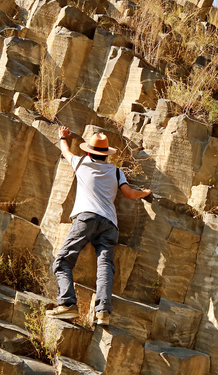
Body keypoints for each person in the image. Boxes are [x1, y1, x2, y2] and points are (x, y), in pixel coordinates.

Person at [48, 126, 152, 326]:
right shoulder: (116, 172)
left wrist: (63, 137)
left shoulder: (81, 163)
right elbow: (129, 194)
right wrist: (145, 193)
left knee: (63, 260)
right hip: (109, 224)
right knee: (105, 266)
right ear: (107, 155)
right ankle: (103, 312)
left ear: (89, 152)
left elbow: (65, 151)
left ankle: (68, 304)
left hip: (86, 219)